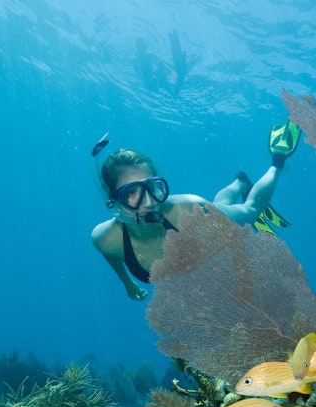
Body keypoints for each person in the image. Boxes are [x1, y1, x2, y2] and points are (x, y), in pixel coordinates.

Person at [90, 122, 301, 300]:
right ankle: (239, 183)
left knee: (251, 210)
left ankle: (278, 160)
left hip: (205, 227)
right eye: (131, 193)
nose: (149, 201)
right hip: (201, 225)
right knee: (219, 205)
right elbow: (114, 258)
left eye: (153, 187)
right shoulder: (105, 239)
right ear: (114, 200)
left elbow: (235, 243)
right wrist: (128, 284)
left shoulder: (188, 208)